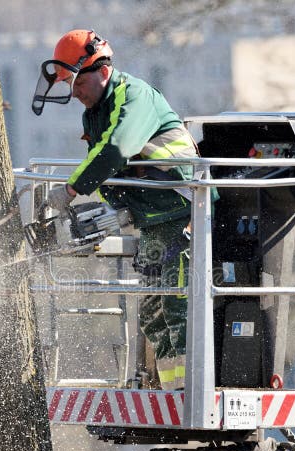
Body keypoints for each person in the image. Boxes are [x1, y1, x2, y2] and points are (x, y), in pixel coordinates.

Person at [31, 29, 198, 390]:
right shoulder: (93, 115)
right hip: (152, 220)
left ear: (100, 69)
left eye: (76, 83)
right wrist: (113, 212)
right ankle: (171, 388)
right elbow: (110, 173)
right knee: (153, 313)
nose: (74, 93)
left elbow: (117, 149)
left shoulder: (132, 95)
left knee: (177, 303)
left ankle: (187, 390)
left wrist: (72, 190)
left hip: (183, 212)